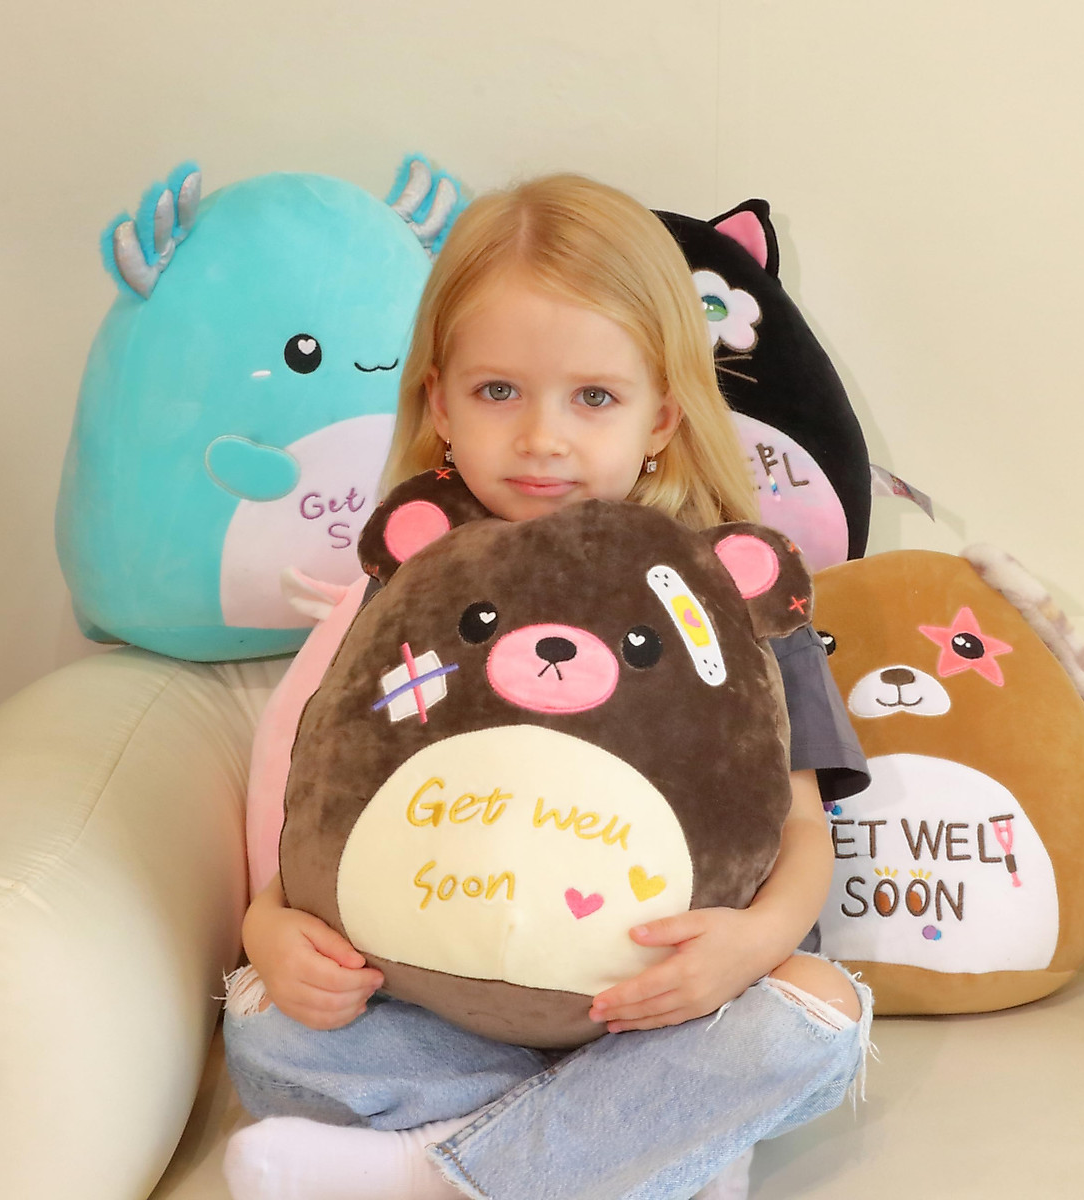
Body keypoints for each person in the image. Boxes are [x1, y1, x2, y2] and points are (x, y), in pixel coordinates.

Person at [221, 173, 874, 1200]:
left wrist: (750, 944)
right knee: (266, 1024)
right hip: (443, 1005)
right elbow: (331, 803)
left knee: (818, 1015)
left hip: (659, 1007)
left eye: (594, 398)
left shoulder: (728, 596)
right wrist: (271, 927)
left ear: (662, 414)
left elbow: (799, 828)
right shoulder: (408, 584)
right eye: (498, 392)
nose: (542, 437)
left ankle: (438, 1175)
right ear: (440, 400)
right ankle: (631, 1145)